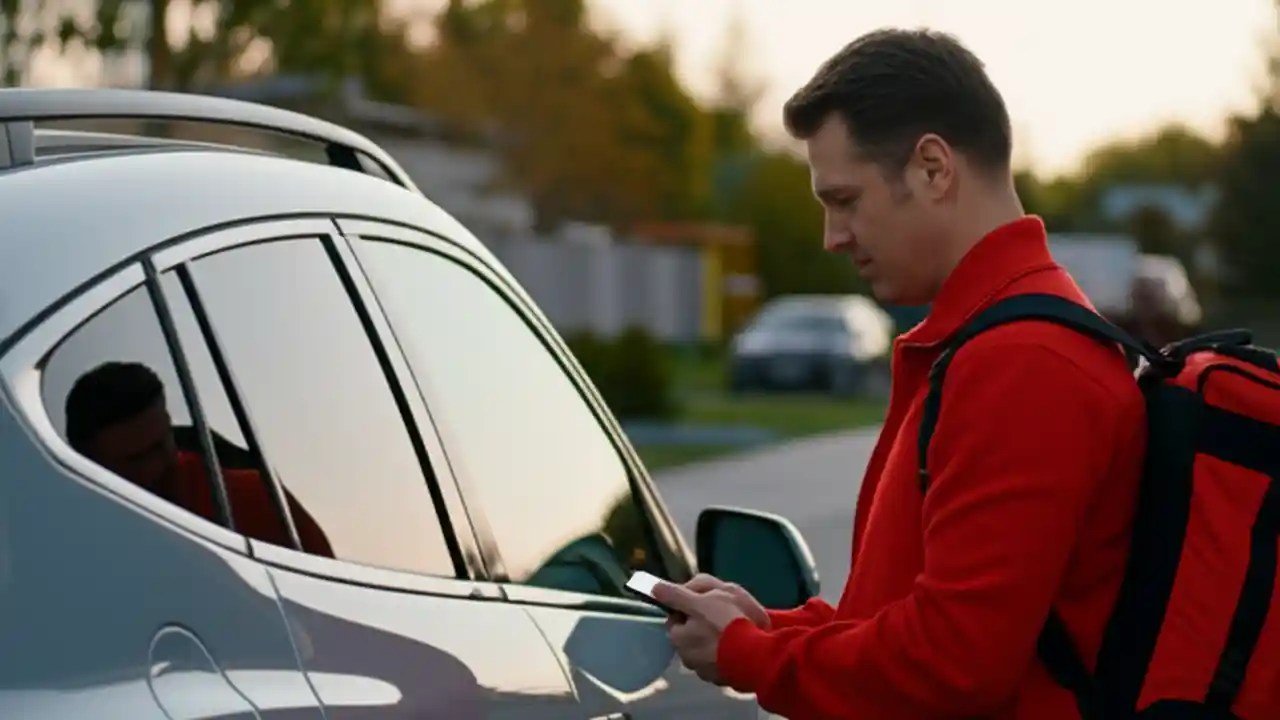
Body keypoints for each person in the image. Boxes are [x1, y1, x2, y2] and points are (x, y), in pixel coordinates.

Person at [652, 28, 1147, 719]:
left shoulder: (1025, 365)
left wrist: (750, 655)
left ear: (933, 169)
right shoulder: (989, 345)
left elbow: (951, 663)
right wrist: (771, 627)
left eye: (845, 200)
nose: (832, 236)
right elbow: (903, 615)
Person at [65, 361, 333, 557]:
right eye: (134, 460)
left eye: (161, 445)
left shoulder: (255, 499)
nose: (155, 468)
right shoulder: (76, 551)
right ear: (87, 468)